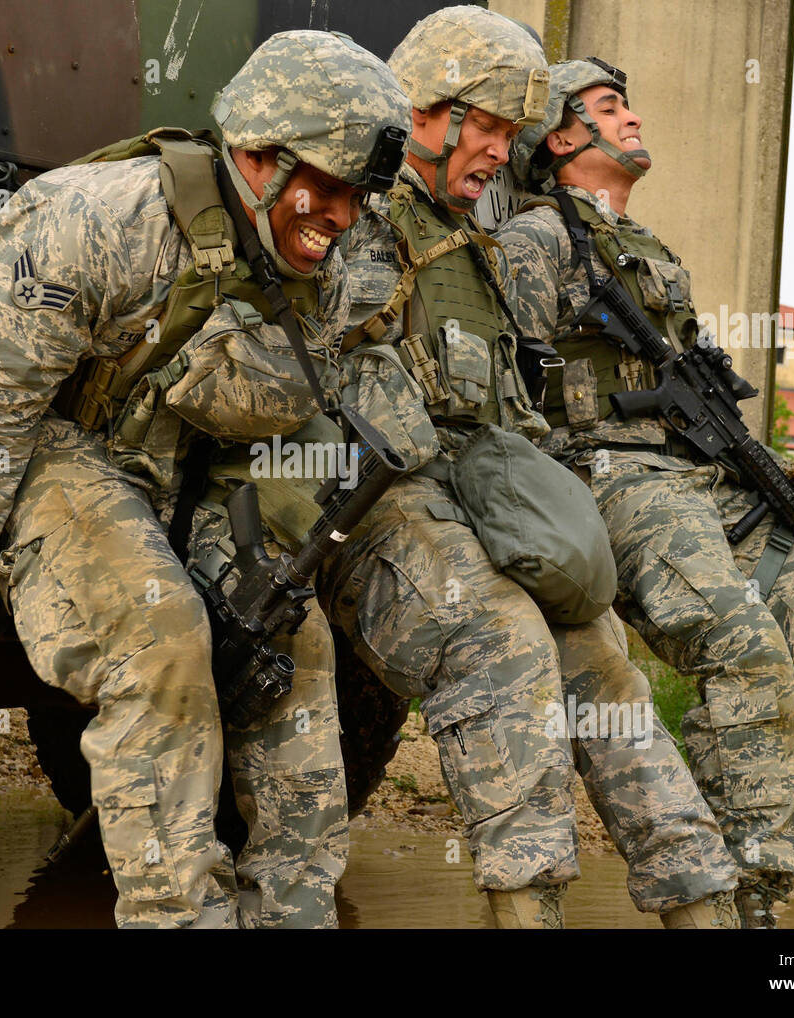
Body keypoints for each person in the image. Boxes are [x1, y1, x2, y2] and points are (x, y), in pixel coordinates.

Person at [0, 30, 411, 928]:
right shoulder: (95, 221)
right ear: (256, 156)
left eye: (362, 194)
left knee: (294, 648)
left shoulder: (339, 260)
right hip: (55, 448)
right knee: (160, 643)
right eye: (328, 185)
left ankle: (295, 912)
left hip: (198, 469)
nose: (345, 216)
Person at [496, 57, 794, 928]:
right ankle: (752, 903)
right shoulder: (536, 241)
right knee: (746, 652)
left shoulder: (652, 252)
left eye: (627, 105)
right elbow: (502, 388)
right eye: (608, 107)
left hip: (711, 481)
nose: (630, 119)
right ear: (562, 137)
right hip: (616, 479)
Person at [316, 5, 740, 928]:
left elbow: (519, 415)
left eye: (515, 133)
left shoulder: (483, 252)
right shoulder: (361, 222)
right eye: (493, 128)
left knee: (604, 664)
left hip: (474, 511)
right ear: (429, 111)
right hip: (373, 519)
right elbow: (338, 389)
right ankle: (527, 911)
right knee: (503, 641)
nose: (504, 153)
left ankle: (703, 905)